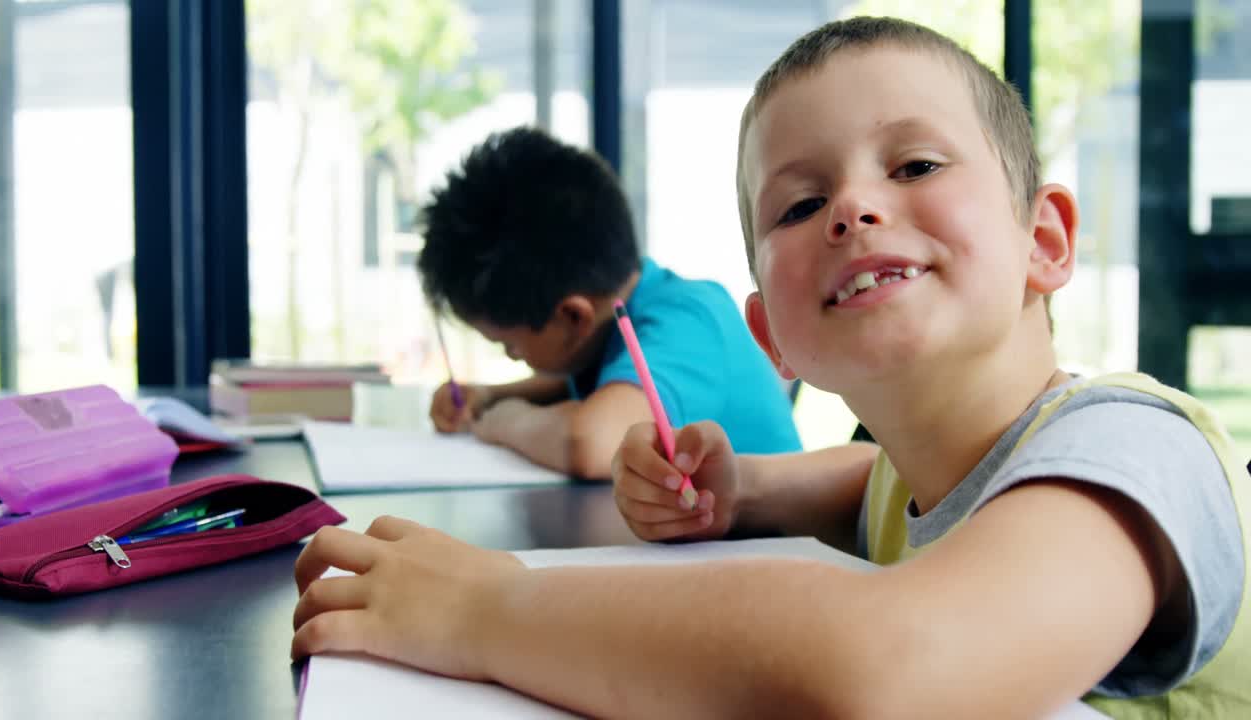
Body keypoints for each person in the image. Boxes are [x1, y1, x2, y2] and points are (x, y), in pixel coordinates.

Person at [290, 17, 1251, 717]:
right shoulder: (913, 475)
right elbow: (871, 482)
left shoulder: (1135, 447)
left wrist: (493, 610)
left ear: (1043, 240)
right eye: (797, 207)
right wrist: (738, 492)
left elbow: (895, 666)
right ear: (774, 338)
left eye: (914, 165)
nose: (853, 209)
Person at [416, 126, 801, 479]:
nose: (513, 357)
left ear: (573, 316)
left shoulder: (688, 320)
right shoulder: (624, 308)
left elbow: (590, 443)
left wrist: (502, 419)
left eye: (510, 345)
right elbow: (575, 380)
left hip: (778, 544)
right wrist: (489, 395)